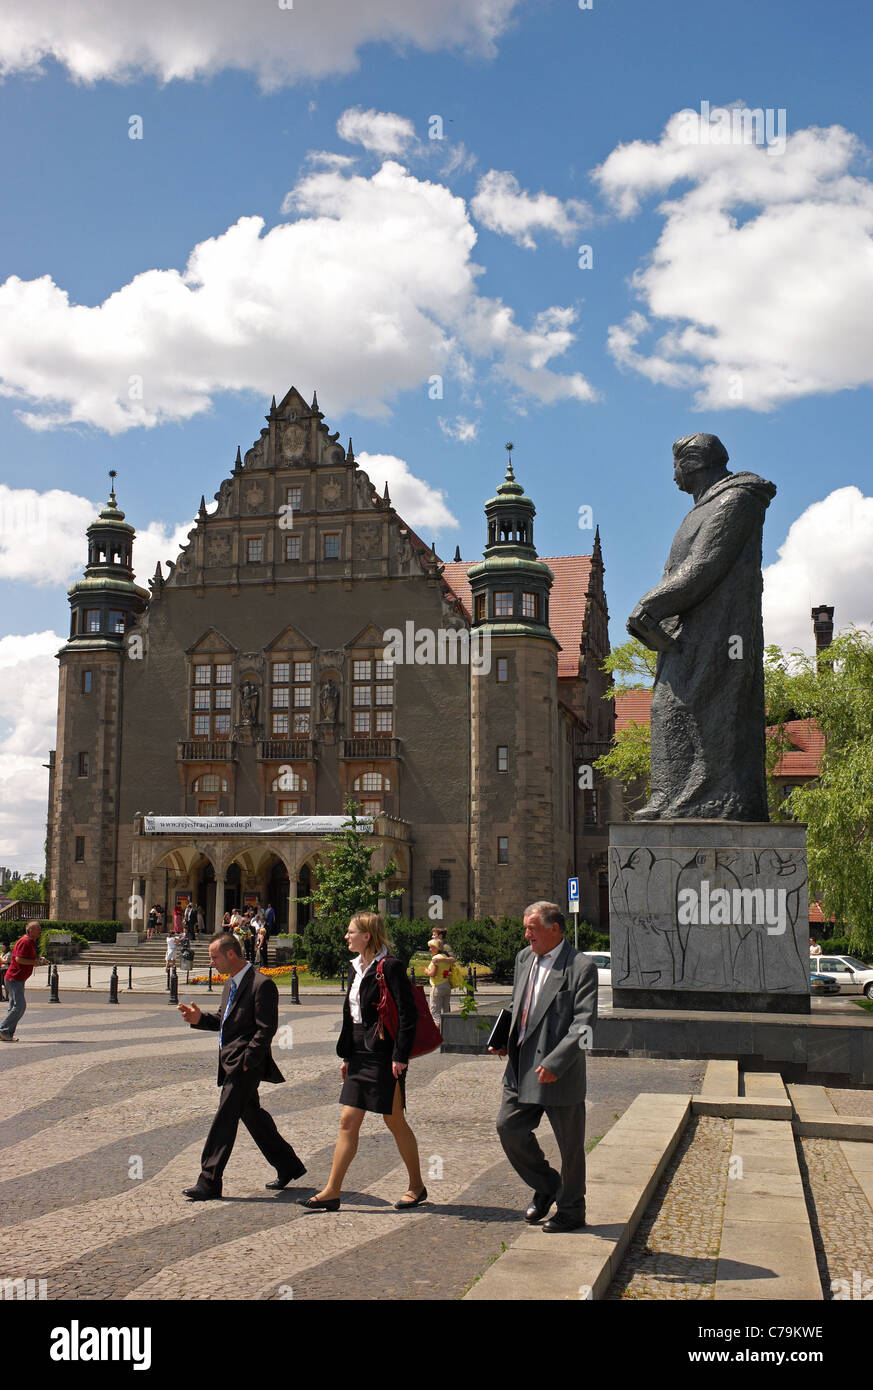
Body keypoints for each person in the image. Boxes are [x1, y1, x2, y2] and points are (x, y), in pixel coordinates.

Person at [300, 912, 425, 1212]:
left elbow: (408, 1015)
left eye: (351, 932)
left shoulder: (390, 966)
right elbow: (353, 1015)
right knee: (348, 1122)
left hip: (384, 1054)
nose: (346, 936)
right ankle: (332, 1191)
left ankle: (417, 1186)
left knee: (393, 1120)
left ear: (367, 936)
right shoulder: (356, 968)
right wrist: (347, 1055)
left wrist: (400, 1056)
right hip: (359, 1053)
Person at [489, 901, 598, 1233]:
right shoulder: (524, 958)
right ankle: (548, 1185)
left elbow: (585, 1024)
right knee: (509, 1128)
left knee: (570, 1146)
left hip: (558, 1070)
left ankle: (571, 1210)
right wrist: (502, 1036)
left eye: (532, 928)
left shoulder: (580, 967)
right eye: (525, 927)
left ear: (555, 929)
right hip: (521, 1065)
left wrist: (557, 1062)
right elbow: (518, 1004)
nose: (526, 934)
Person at [178, 932, 306, 1200]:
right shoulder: (230, 985)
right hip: (232, 1063)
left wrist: (248, 1062)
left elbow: (266, 1029)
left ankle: (209, 1180)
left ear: (230, 955)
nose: (211, 962)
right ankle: (288, 1165)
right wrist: (200, 1018)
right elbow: (225, 1022)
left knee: (225, 1117)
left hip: (245, 1066)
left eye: (214, 957)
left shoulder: (262, 984)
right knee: (253, 1117)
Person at [0, 922, 49, 1042]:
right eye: (38, 929)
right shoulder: (25, 941)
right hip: (14, 978)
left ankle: (7, 1034)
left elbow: (26, 959)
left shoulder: (30, 942)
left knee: (13, 1006)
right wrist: (34, 962)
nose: (40, 931)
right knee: (20, 1006)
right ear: (30, 931)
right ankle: (2, 1030)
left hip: (17, 978)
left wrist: (38, 960)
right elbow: (19, 959)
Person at [425, 937, 452, 1021]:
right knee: (446, 1010)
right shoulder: (445, 957)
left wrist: (426, 971)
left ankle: (438, 1032)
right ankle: (448, 1030)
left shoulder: (435, 959)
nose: (430, 949)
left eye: (431, 947)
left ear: (437, 948)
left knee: (435, 1012)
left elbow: (433, 973)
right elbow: (449, 971)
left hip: (437, 986)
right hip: (446, 985)